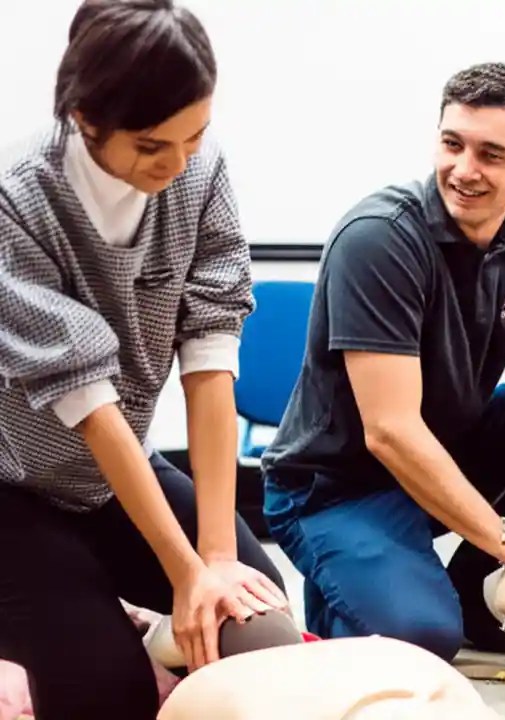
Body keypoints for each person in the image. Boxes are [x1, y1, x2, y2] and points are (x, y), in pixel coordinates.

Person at [260, 62, 505, 660]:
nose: (464, 170)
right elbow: (389, 430)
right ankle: (353, 588)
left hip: (447, 448)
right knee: (422, 637)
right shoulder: (379, 237)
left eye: (491, 154)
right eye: (452, 144)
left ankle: (471, 590)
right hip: (335, 486)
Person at [0, 2, 289, 718]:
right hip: (16, 490)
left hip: (118, 476)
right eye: (152, 145)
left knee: (263, 629)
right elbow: (93, 409)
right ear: (84, 117)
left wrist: (216, 562)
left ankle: (142, 630)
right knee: (109, 694)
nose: (177, 162)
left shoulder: (199, 168)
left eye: (194, 134)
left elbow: (212, 359)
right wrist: (184, 571)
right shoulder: (19, 203)